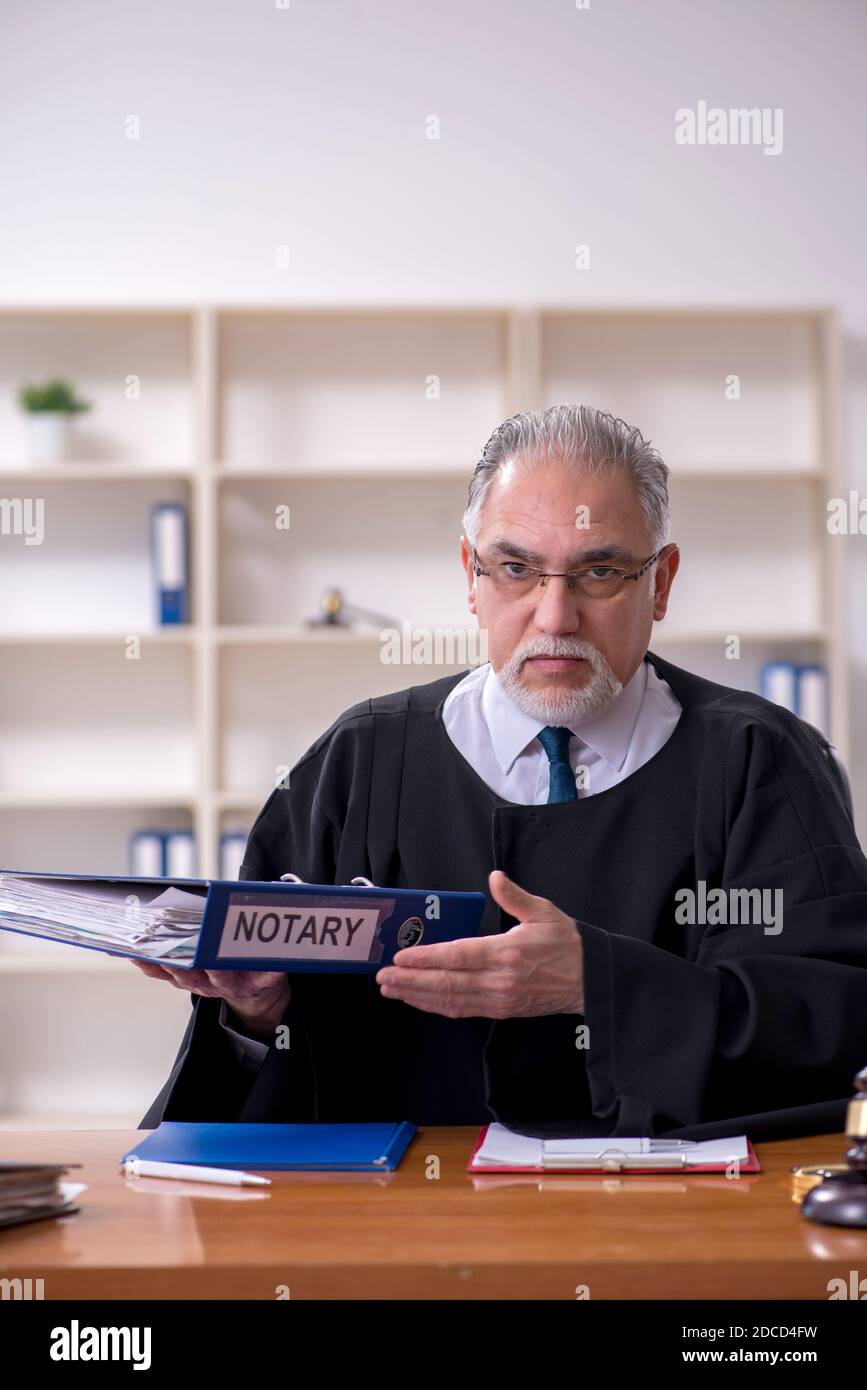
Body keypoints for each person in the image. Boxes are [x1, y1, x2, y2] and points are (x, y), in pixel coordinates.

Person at [138, 404, 867, 1140]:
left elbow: (830, 1028)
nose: (555, 617)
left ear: (661, 582)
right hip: (398, 1229)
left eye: (600, 571)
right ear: (471, 575)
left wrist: (599, 985)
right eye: (516, 569)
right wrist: (253, 1013)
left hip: (664, 1226)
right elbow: (269, 1072)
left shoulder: (759, 760)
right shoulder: (359, 760)